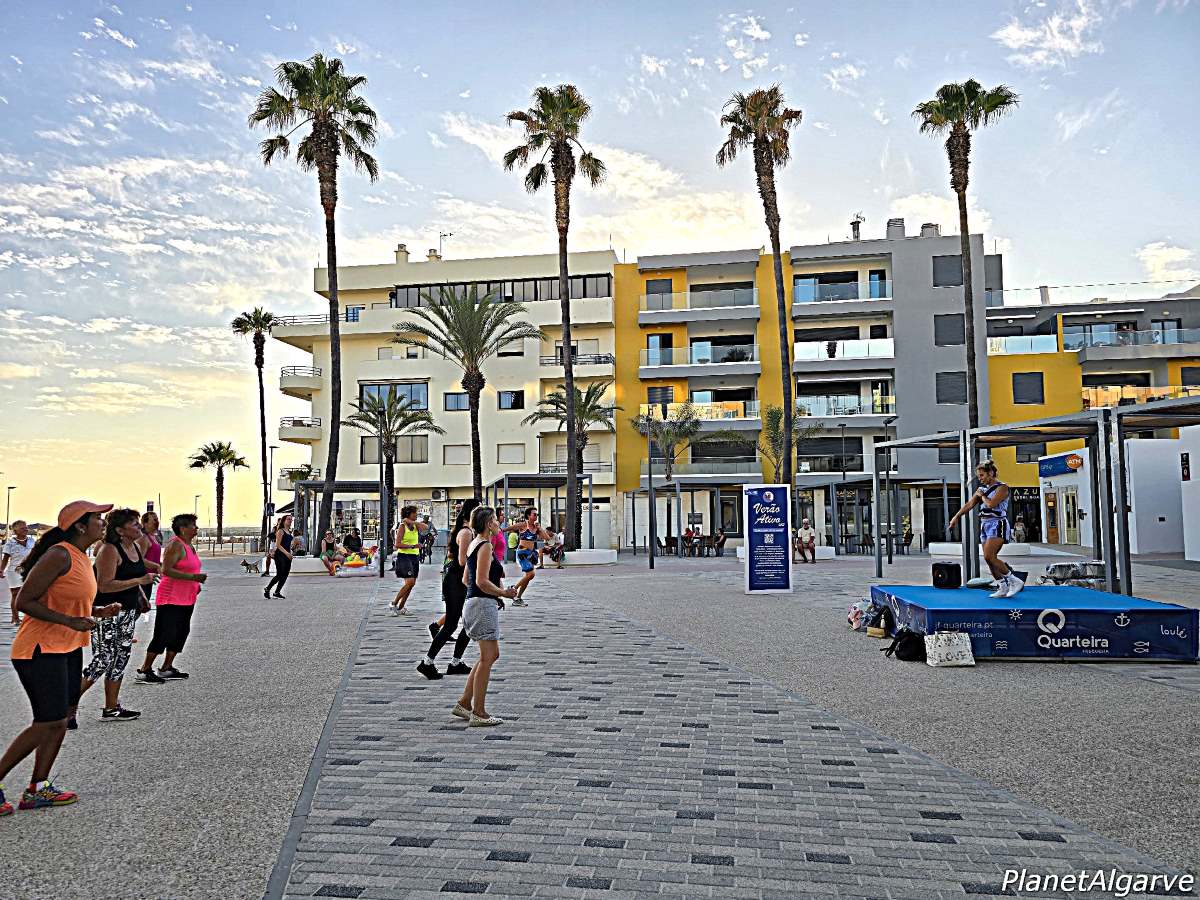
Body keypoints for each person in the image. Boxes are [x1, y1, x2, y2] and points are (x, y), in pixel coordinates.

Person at [0, 501, 117, 814]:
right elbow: (25, 600)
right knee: (46, 720)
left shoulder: (81, 556)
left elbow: (66, 601)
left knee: (60, 719)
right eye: (98, 519)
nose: (103, 523)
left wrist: (96, 612)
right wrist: (70, 621)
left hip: (67, 648)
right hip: (39, 650)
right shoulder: (60, 554)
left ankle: (38, 788)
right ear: (80, 525)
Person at [78, 509, 157, 722]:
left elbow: (135, 573)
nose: (139, 526)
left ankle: (111, 708)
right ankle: (65, 706)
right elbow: (105, 585)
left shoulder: (134, 547)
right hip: (107, 612)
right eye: (134, 524)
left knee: (121, 658)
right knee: (103, 659)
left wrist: (142, 597)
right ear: (120, 530)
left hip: (128, 612)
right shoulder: (109, 550)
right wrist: (139, 582)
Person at [454, 507, 517, 727]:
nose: (499, 522)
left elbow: (466, 580)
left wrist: (495, 593)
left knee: (488, 656)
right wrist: (503, 593)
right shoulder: (486, 545)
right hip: (481, 605)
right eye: (495, 520)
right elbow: (480, 581)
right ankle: (478, 712)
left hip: (474, 603)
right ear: (489, 524)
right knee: (488, 657)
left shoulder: (474, 543)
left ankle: (464, 703)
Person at [136, 513, 206, 683]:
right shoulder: (175, 545)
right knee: (164, 633)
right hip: (170, 598)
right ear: (183, 529)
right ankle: (144, 670)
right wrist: (193, 579)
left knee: (181, 632)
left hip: (186, 597)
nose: (196, 528)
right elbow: (166, 570)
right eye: (193, 525)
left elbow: (191, 568)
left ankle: (166, 667)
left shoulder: (189, 546)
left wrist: (195, 585)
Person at [418, 499, 479, 680]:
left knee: (467, 623)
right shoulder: (466, 532)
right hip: (456, 581)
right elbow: (462, 561)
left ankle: (455, 662)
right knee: (452, 624)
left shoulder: (467, 531)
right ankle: (427, 662)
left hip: (458, 580)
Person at [950, 460, 1022, 598]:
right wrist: (956, 517)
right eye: (978, 476)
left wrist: (981, 495)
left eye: (982, 475)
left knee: (990, 556)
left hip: (998, 524)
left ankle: (1015, 581)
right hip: (985, 524)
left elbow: (991, 504)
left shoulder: (1002, 487)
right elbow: (969, 504)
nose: (980, 479)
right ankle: (1002, 586)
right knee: (988, 559)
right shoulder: (982, 490)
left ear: (991, 473)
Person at [506, 507, 549, 608]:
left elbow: (547, 538)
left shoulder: (536, 528)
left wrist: (540, 528)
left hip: (531, 554)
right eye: (534, 514)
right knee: (531, 574)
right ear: (529, 516)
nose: (536, 516)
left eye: (536, 515)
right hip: (522, 553)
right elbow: (512, 527)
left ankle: (518, 598)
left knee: (529, 577)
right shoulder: (524, 525)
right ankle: (513, 588)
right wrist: (500, 529)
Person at [389, 505, 428, 616]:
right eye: (414, 513)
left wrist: (413, 522)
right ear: (409, 514)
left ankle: (400, 608)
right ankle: (394, 603)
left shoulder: (415, 526)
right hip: (404, 556)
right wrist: (413, 546)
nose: (416, 514)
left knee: (411, 584)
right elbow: (397, 544)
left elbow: (425, 527)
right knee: (409, 582)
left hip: (414, 557)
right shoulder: (402, 526)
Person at [1, 520, 35, 627]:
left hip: (29, 571)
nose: (26, 529)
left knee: (31, 594)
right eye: (22, 528)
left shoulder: (31, 541)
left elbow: (36, 555)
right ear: (15, 530)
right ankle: (15, 618)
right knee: (16, 594)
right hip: (14, 572)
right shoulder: (10, 543)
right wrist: (1, 570)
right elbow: (5, 559)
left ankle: (28, 617)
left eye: (26, 527)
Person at [264, 514, 294, 599]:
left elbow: (288, 544)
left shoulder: (289, 531)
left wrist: (291, 551)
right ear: (284, 521)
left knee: (285, 575)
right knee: (280, 574)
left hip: (287, 555)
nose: (290, 521)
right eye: (288, 519)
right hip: (280, 555)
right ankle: (267, 588)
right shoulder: (280, 531)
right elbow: (278, 545)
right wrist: (287, 553)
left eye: (291, 519)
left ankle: (277, 592)